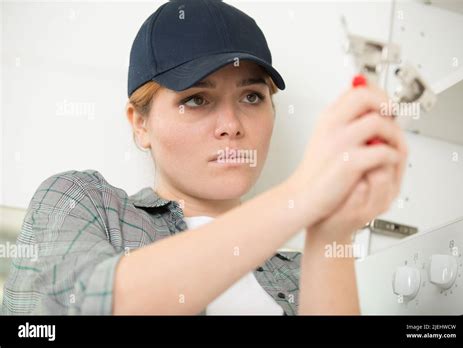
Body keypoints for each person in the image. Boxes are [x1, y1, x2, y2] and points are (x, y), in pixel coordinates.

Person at [2, 0, 407, 315]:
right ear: (140, 124)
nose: (231, 124)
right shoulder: (82, 200)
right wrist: (303, 194)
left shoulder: (297, 272)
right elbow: (85, 306)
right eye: (196, 99)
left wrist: (331, 232)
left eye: (252, 96)